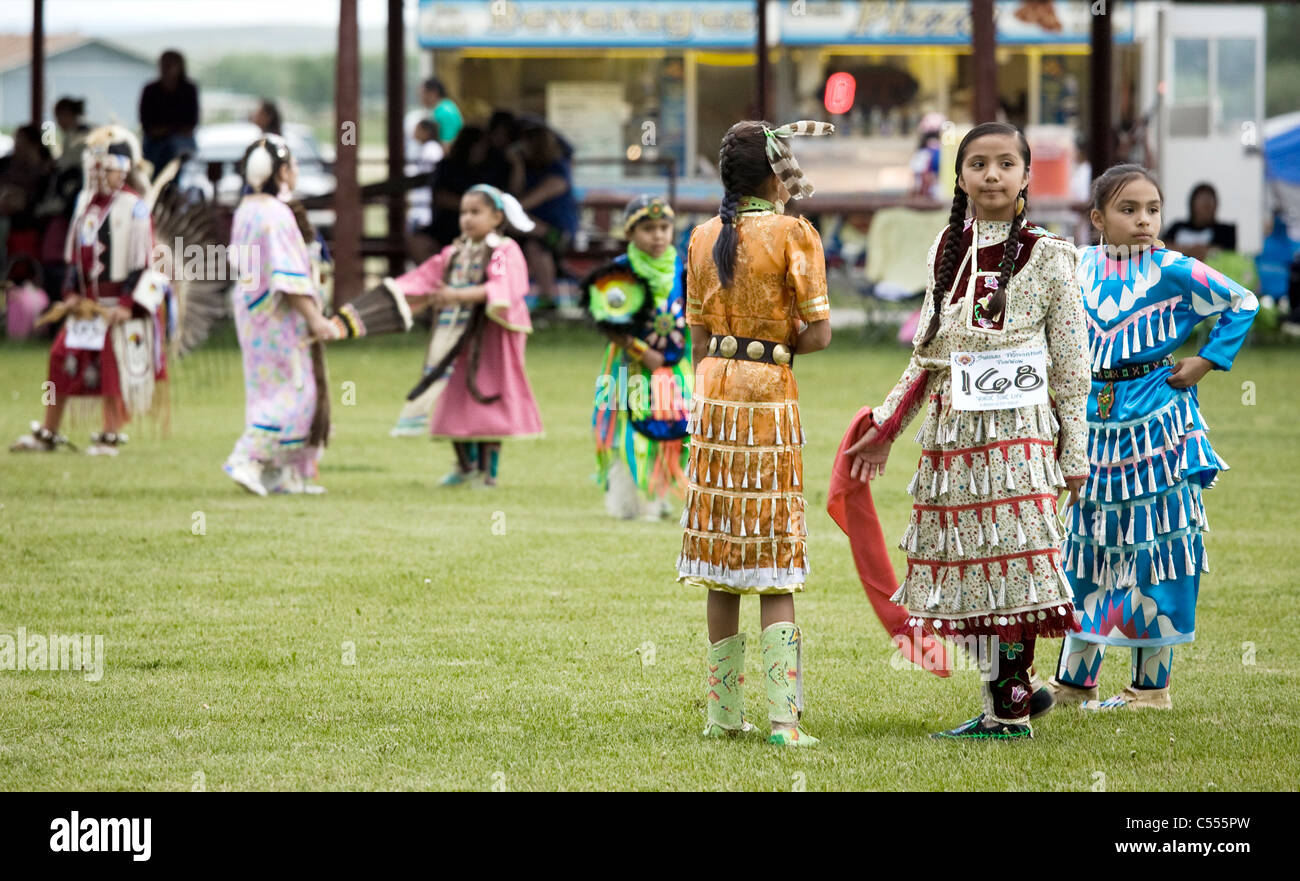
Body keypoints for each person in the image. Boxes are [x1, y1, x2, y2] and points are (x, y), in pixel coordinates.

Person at [844, 122, 1090, 740]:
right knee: (968, 561)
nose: (992, 175)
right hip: (955, 432)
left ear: (1028, 175)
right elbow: (928, 352)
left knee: (1016, 559)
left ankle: (1007, 709)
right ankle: (1010, 690)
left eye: (1006, 163)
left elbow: (1072, 363)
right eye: (978, 164)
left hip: (1020, 430)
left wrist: (1075, 449)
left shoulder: (1052, 255)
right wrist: (886, 423)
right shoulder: (946, 250)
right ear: (959, 177)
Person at [1037, 164, 1258, 711]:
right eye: (1127, 209)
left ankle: (1150, 690)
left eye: (1152, 209)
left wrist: (1206, 360)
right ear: (1097, 218)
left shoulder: (1174, 269)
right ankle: (1074, 680)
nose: (1143, 220)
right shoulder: (1077, 264)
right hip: (1093, 423)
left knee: (1156, 545)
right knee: (1087, 545)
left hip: (1157, 424)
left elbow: (1244, 303)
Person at [679, 120, 834, 747]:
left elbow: (694, 337)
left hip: (713, 390)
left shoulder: (700, 236)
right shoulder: (794, 233)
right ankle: (783, 722)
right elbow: (819, 333)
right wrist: (771, 345)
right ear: (777, 177)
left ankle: (722, 717)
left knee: (721, 557)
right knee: (773, 557)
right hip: (768, 392)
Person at [10, 126, 163, 457]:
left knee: (110, 366)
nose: (97, 173)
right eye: (94, 166)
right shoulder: (84, 204)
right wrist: (70, 295)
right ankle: (49, 429)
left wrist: (125, 304)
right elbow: (73, 259)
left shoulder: (134, 208)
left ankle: (109, 434)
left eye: (104, 166)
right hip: (86, 307)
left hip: (115, 305)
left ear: (122, 169)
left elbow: (142, 261)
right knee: (58, 360)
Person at [389, 184, 543, 487]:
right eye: (463, 212)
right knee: (452, 398)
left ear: (497, 217)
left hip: (491, 341)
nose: (467, 219)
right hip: (453, 340)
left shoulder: (502, 251)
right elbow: (424, 278)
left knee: (487, 399)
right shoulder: (455, 253)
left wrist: (459, 295)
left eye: (476, 212)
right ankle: (465, 465)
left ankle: (489, 472)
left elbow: (503, 287)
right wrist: (393, 293)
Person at [222, 136, 338, 496]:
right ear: (283, 172)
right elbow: (287, 276)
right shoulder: (275, 213)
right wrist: (316, 318)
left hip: (254, 313)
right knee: (293, 390)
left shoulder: (246, 208)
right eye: (295, 166)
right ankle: (248, 459)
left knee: (267, 388)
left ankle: (283, 474)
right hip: (279, 316)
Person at [588, 195, 692, 520]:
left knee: (673, 428)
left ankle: (661, 497)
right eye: (648, 228)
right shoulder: (620, 271)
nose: (658, 235)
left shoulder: (682, 269)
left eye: (664, 227)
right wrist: (640, 351)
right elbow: (607, 321)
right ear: (630, 233)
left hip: (675, 369)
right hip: (629, 368)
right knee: (630, 432)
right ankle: (630, 503)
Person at [507, 119, 578, 309]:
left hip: (558, 227)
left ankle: (547, 300)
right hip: (532, 228)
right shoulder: (527, 167)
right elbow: (516, 192)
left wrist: (508, 209)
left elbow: (525, 202)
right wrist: (518, 166)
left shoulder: (558, 169)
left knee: (535, 246)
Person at [139, 50, 199, 174]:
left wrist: (169, 130)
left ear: (179, 67)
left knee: (174, 150)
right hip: (154, 141)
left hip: (181, 141)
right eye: (164, 64)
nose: (166, 68)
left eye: (170, 65)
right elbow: (146, 122)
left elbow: (192, 122)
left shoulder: (188, 90)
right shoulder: (150, 90)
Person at [1164, 183, 1237, 261]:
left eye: (1210, 201)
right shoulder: (1177, 226)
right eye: (1203, 200)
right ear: (1192, 204)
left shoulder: (1225, 230)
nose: (1207, 205)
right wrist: (1190, 250)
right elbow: (1162, 247)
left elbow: (1228, 254)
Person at [422, 77, 463, 148]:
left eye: (423, 93)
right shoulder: (444, 107)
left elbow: (447, 144)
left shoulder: (444, 111)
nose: (421, 97)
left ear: (434, 92)